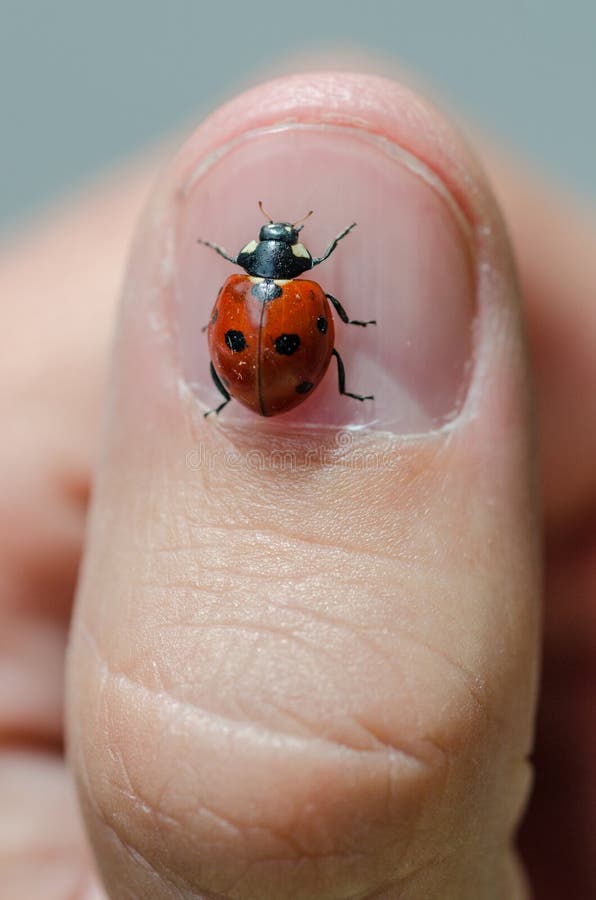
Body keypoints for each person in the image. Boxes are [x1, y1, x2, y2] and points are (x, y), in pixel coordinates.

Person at [1, 70, 594, 900]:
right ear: (295, 257)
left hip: (250, 388)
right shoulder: (309, 294)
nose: (275, 242)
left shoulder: (240, 290)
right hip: (280, 386)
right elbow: (327, 331)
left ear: (254, 256)